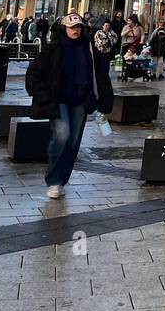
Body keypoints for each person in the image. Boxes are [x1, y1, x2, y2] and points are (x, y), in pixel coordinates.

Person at [24, 12, 114, 200]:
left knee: (73, 142)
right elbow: (33, 74)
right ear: (63, 28)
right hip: (59, 100)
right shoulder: (53, 49)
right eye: (72, 27)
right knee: (62, 135)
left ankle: (62, 179)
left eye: (79, 27)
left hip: (80, 100)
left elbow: (100, 74)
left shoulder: (88, 49)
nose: (76, 30)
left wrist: (104, 99)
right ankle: (54, 180)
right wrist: (44, 96)